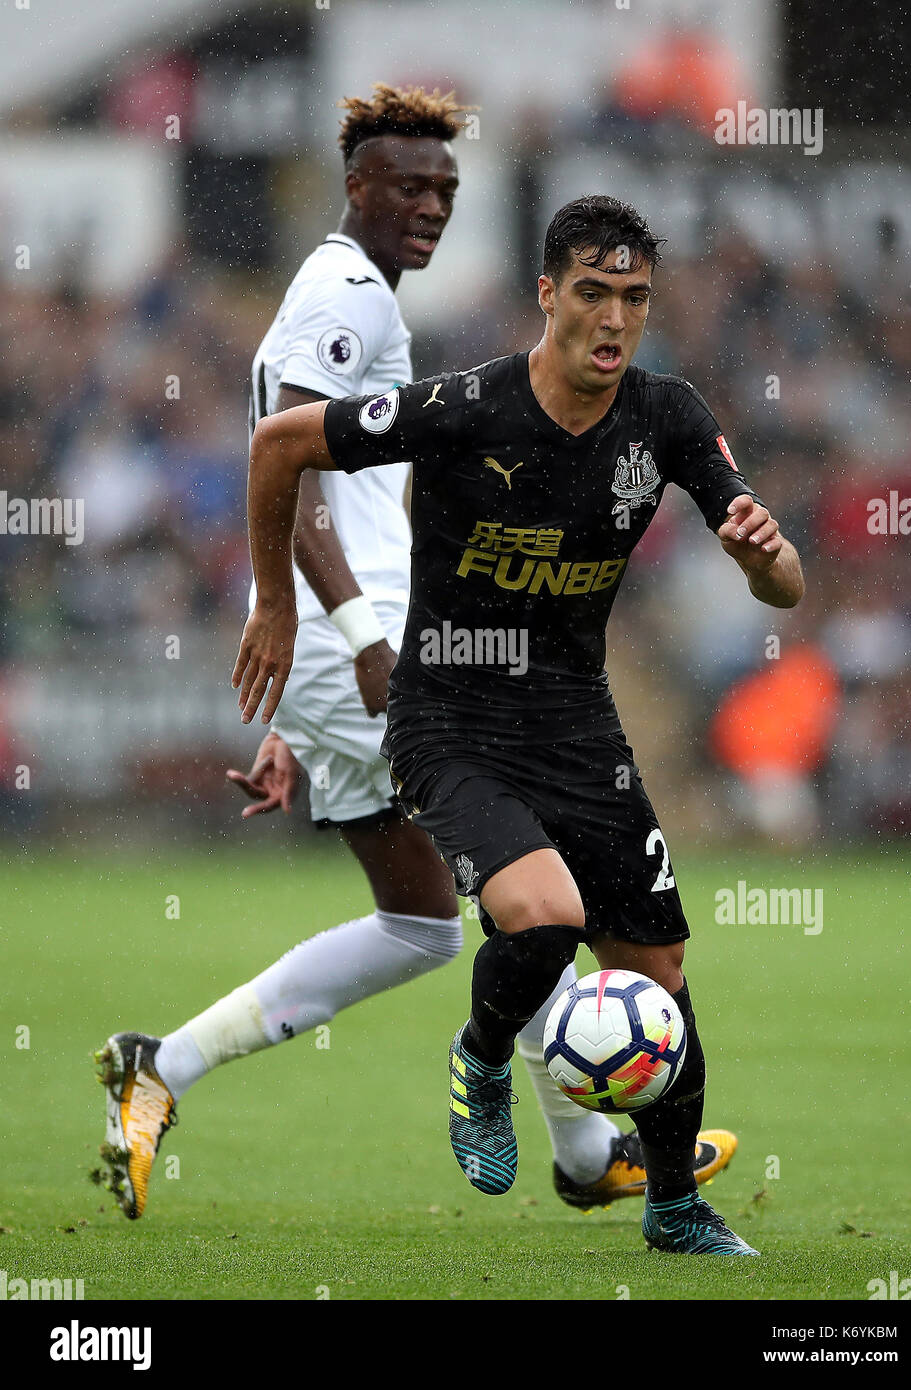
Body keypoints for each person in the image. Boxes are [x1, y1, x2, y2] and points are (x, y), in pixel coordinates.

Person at [95, 94, 731, 1221]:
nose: (431, 207)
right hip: (389, 649)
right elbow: (284, 457)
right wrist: (345, 643)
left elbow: (310, 475)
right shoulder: (343, 289)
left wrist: (305, 705)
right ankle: (588, 1151)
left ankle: (161, 1064)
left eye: (445, 190)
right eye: (408, 188)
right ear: (356, 189)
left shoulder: (352, 296)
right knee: (534, 897)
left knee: (427, 920)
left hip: (355, 659)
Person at [233, 195, 804, 1255]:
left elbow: (786, 586)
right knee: (541, 915)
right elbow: (277, 445)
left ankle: (675, 1208)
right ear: (548, 295)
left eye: (633, 298)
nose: (614, 319)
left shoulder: (668, 417)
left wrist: (766, 559)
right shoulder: (463, 407)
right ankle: (483, 1057)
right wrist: (274, 601)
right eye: (592, 293)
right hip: (447, 716)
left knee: (658, 983)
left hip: (578, 727)